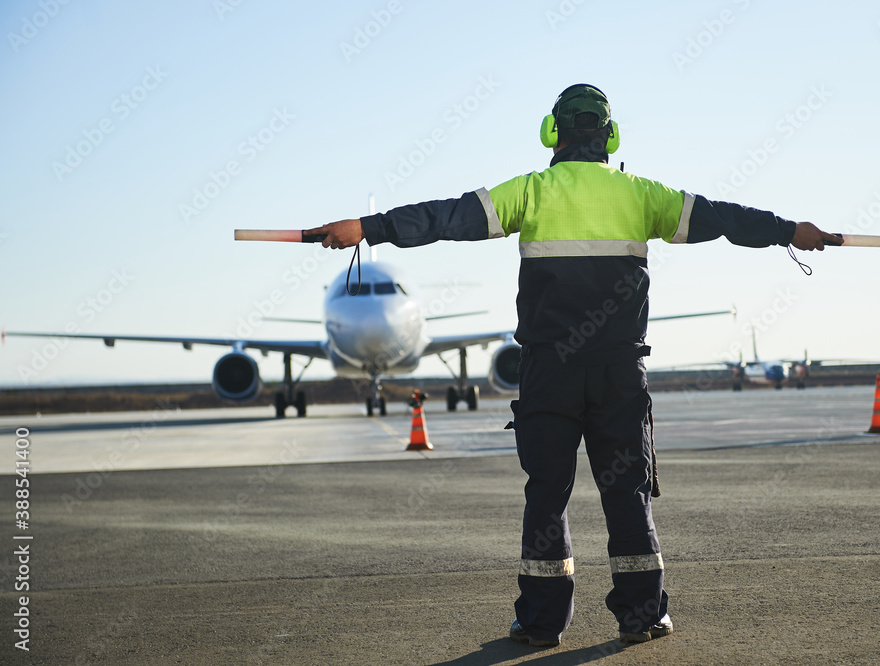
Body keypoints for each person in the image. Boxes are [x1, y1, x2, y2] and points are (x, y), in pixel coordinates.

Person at [307, 84, 841, 647]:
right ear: (610, 136)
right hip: (618, 376)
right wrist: (790, 232)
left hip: (550, 374)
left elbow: (446, 217)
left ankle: (540, 624)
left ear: (552, 134)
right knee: (627, 494)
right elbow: (725, 219)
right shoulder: (641, 194)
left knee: (547, 495)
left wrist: (368, 227)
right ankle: (641, 617)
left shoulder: (531, 192)